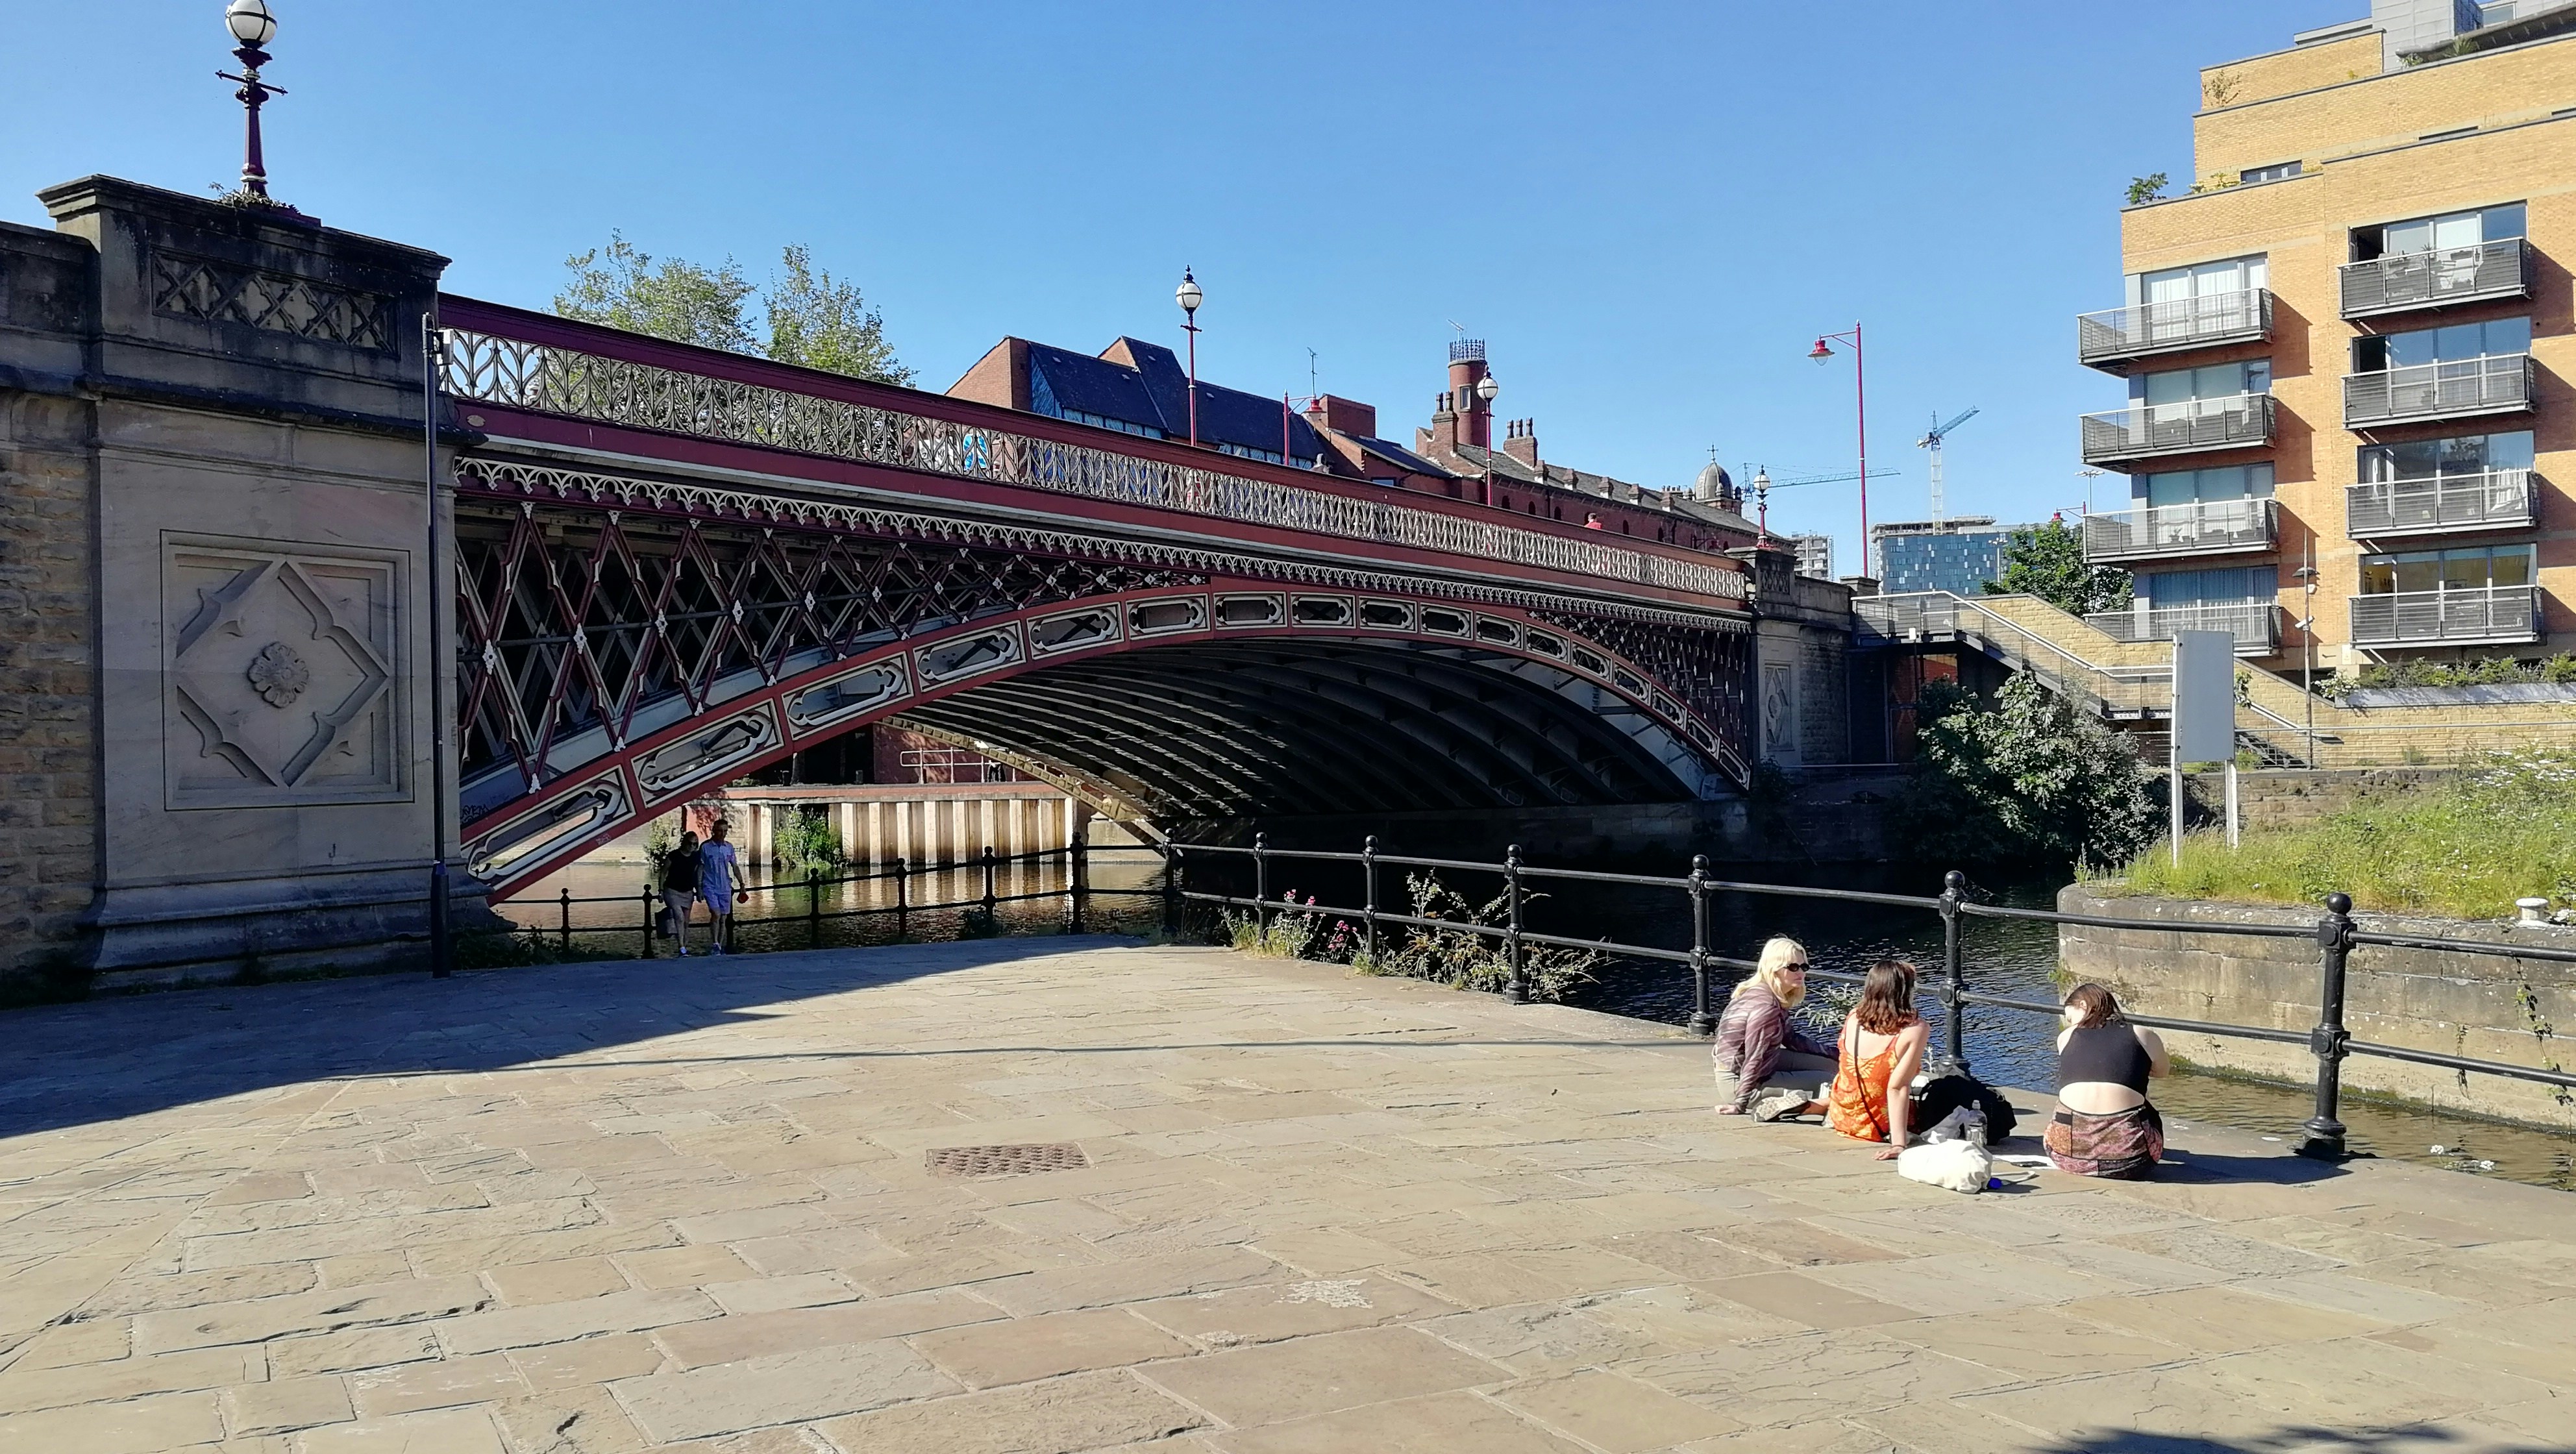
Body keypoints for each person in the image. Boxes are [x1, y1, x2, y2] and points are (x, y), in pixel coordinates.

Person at [2046, 983, 2169, 1179]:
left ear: (2084, 1005)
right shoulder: (2143, 1034)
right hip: (2132, 1161)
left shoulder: (2065, 1038)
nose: (2071, 1024)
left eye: (2071, 1018)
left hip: (2065, 1156)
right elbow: (2163, 1072)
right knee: (2142, 1101)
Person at [1713, 937, 1837, 1120]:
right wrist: (1740, 1104)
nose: (1800, 973)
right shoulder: (1766, 1008)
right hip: (1742, 1082)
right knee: (1836, 1082)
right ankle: (1794, 1106)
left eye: (1804, 967)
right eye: (1793, 967)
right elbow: (1754, 1057)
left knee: (1837, 1067)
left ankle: (1798, 1099)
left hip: (1765, 1064)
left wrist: (1837, 1054)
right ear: (1774, 969)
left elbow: (1792, 1039)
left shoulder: (1768, 994)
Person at [1826, 959, 1930, 1159]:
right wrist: (1899, 1144)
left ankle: (1818, 1104)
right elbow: (1897, 1087)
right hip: (1877, 1125)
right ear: (1905, 991)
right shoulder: (1915, 1030)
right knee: (1943, 1100)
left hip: (1842, 1115)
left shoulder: (1854, 1017)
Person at [699, 819, 740, 955]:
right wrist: (699, 887)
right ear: (714, 831)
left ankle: (719, 946)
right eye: (720, 831)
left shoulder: (729, 847)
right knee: (716, 914)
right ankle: (715, 942)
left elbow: (734, 866)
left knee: (723, 918)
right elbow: (701, 867)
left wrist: (742, 884)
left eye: (725, 831)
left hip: (725, 886)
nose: (723, 834)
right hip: (710, 885)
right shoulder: (706, 847)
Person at [659, 829, 702, 956]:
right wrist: (661, 890)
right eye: (690, 843)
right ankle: (681, 947)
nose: (692, 847)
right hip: (672, 890)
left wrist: (699, 889)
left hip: (687, 892)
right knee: (679, 916)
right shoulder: (674, 855)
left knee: (686, 922)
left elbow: (697, 872)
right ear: (684, 842)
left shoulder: (695, 857)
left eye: (695, 844)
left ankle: (684, 946)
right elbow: (663, 872)